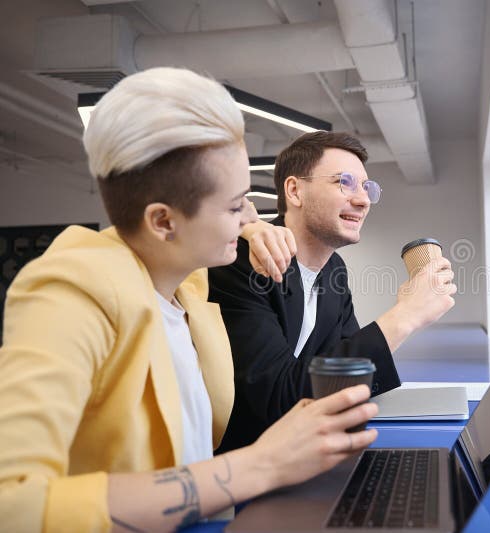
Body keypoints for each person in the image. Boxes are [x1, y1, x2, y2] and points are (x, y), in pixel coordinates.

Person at [0, 67, 377, 532]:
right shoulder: (70, 290)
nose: (252, 218)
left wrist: (244, 223)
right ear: (163, 223)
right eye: (237, 204)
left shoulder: (189, 286)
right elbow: (11, 504)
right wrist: (260, 465)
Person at [208, 131, 457, 452]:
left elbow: (342, 376)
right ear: (295, 191)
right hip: (244, 468)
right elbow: (276, 399)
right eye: (345, 182)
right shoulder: (243, 262)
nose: (363, 199)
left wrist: (411, 312)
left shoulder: (333, 269)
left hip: (307, 454)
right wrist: (405, 316)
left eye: (366, 187)